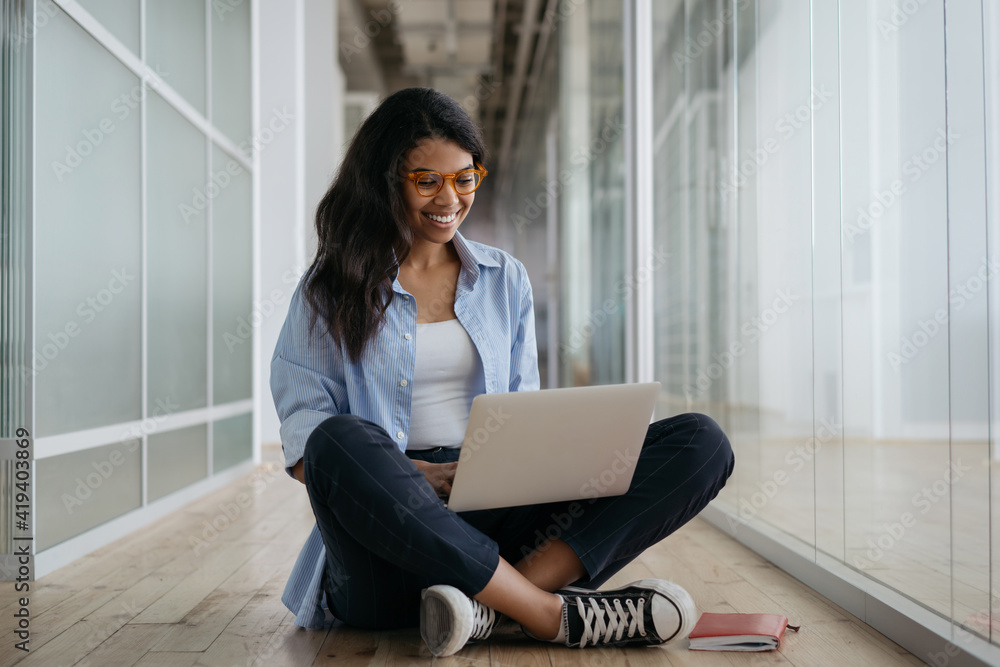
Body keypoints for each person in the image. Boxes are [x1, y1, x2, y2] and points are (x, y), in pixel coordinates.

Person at [270, 87, 735, 657]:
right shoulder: (328, 290)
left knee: (701, 443)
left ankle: (487, 608)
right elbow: (302, 447)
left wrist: (533, 462)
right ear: (385, 180)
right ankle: (543, 612)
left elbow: (523, 410)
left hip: (492, 504)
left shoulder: (503, 278)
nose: (450, 198)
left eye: (464, 178)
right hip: (385, 538)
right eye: (427, 181)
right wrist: (421, 475)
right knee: (336, 440)